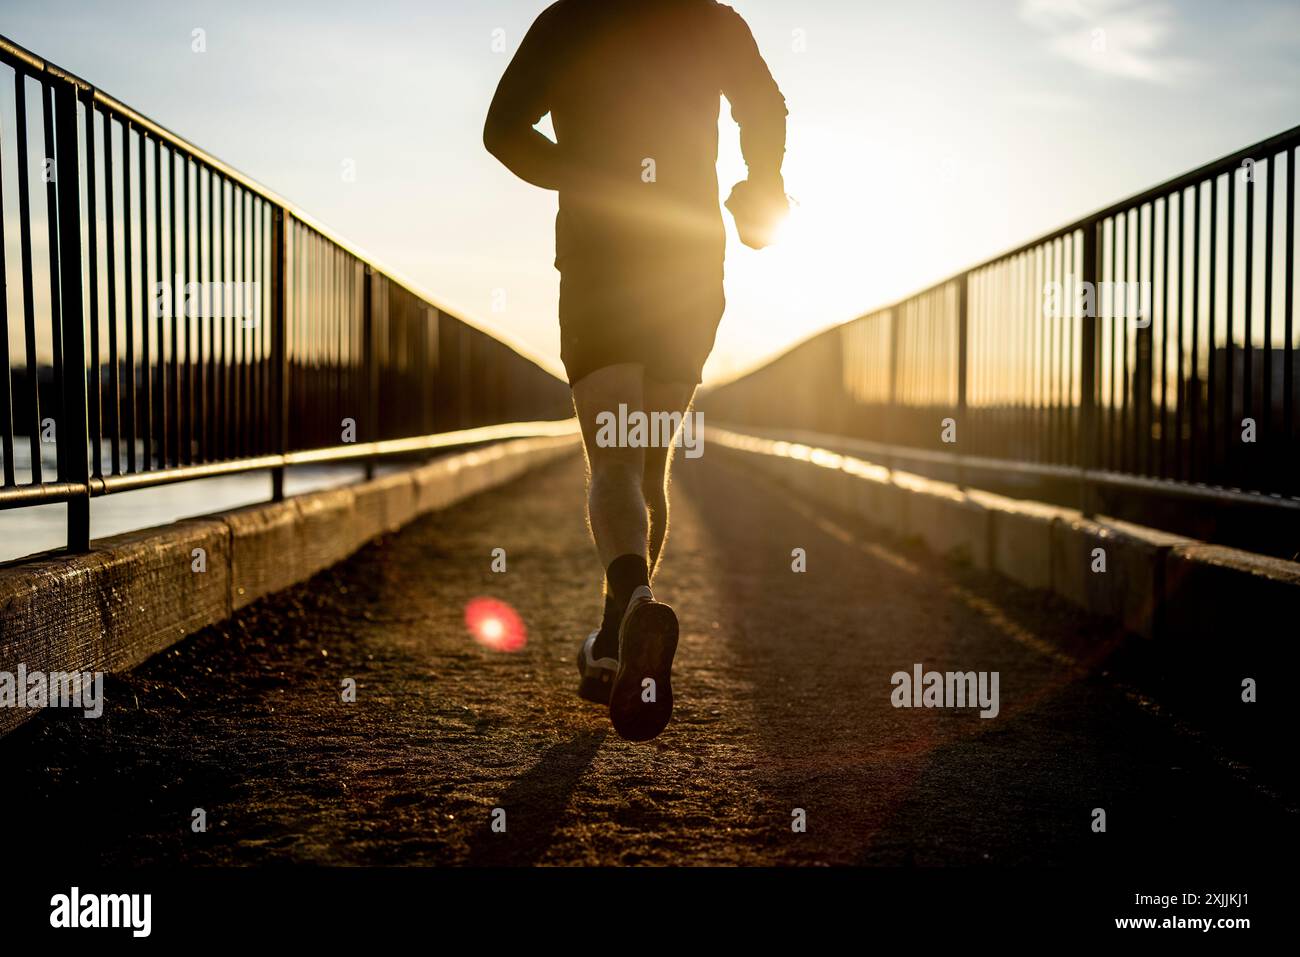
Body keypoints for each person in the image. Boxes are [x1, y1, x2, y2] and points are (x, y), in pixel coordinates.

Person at [484, 0, 788, 741]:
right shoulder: (712, 20)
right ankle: (620, 638)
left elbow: (501, 132)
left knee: (612, 460)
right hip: (688, 263)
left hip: (602, 260)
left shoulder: (571, 19)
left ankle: (629, 605)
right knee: (650, 468)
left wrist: (581, 176)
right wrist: (763, 186)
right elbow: (763, 107)